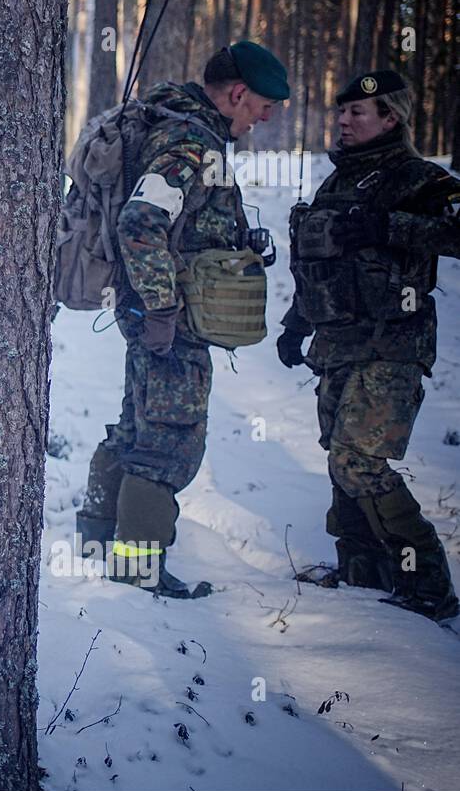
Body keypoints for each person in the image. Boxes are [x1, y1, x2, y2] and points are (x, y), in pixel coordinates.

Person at [76, 41, 289, 598]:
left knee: (137, 424)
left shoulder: (182, 126)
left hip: (160, 309)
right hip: (171, 316)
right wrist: (162, 310)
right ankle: (136, 571)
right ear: (238, 94)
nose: (266, 117)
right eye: (264, 105)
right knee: (169, 439)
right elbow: (142, 222)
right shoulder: (191, 140)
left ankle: (98, 543)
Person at [279, 69, 459, 622]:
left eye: (358, 113)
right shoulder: (337, 183)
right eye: (341, 113)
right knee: (340, 458)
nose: (344, 121)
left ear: (391, 118)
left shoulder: (421, 180)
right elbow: (321, 264)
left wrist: (389, 226)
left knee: (358, 461)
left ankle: (426, 582)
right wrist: (296, 321)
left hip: (393, 344)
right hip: (337, 344)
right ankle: (362, 574)